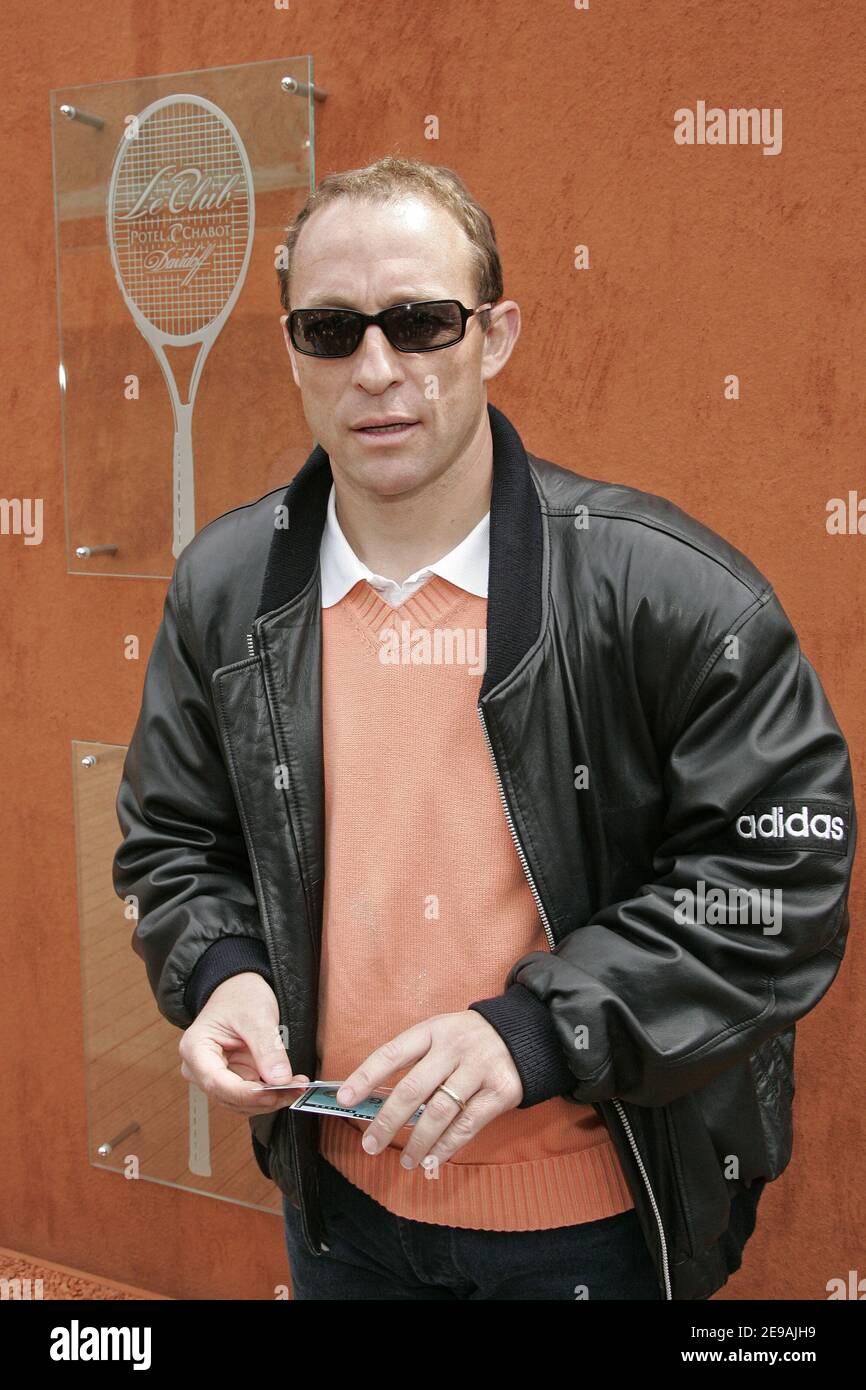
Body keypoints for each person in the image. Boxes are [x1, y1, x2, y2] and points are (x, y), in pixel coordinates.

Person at [113, 155, 856, 1301]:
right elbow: (172, 840)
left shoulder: (665, 590)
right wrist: (223, 969)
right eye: (329, 328)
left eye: (419, 322)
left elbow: (777, 883)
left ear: (495, 335)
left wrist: (535, 1032)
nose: (376, 369)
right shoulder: (224, 585)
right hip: (338, 1208)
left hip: (592, 1226)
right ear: (291, 350)